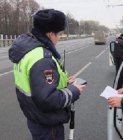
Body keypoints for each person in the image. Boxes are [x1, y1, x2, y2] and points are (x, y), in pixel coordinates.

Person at [8, 9, 85, 140]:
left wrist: (62, 80)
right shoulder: (42, 58)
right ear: (50, 34)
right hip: (48, 125)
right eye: (59, 34)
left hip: (34, 117)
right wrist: (73, 90)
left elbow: (34, 82)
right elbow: (47, 100)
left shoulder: (27, 51)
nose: (59, 38)